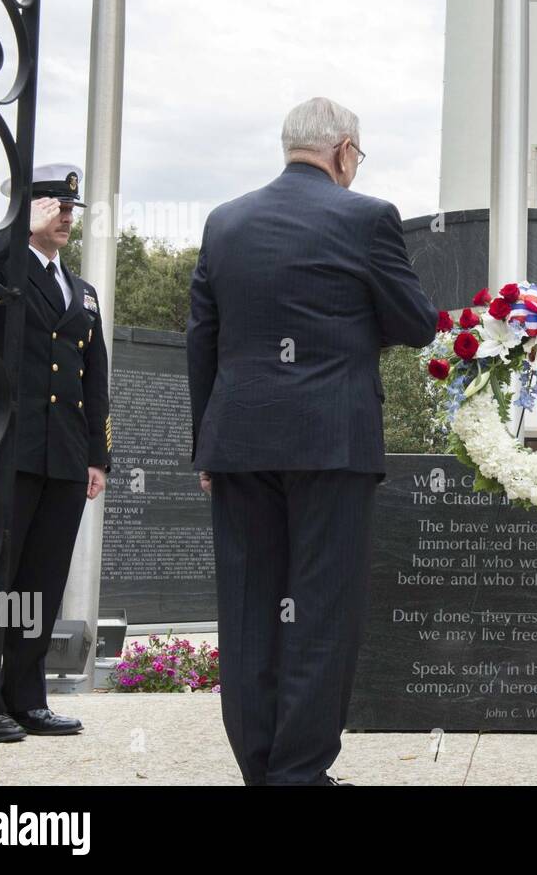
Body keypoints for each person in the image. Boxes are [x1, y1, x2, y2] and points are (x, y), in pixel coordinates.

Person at [187, 97, 437, 785]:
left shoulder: (225, 221)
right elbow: (416, 322)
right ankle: (299, 771)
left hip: (239, 441)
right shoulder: (366, 217)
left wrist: (203, 442)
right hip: (332, 439)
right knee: (320, 611)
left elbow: (201, 338)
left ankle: (259, 766)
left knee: (247, 612)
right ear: (345, 149)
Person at [0, 163, 110, 743]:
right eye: (55, 205)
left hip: (64, 459)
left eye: (72, 209)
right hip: (4, 451)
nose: (67, 216)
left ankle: (26, 698)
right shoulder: (2, 267)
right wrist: (17, 227)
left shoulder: (84, 293)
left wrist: (98, 455)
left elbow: (95, 378)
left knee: (41, 584)